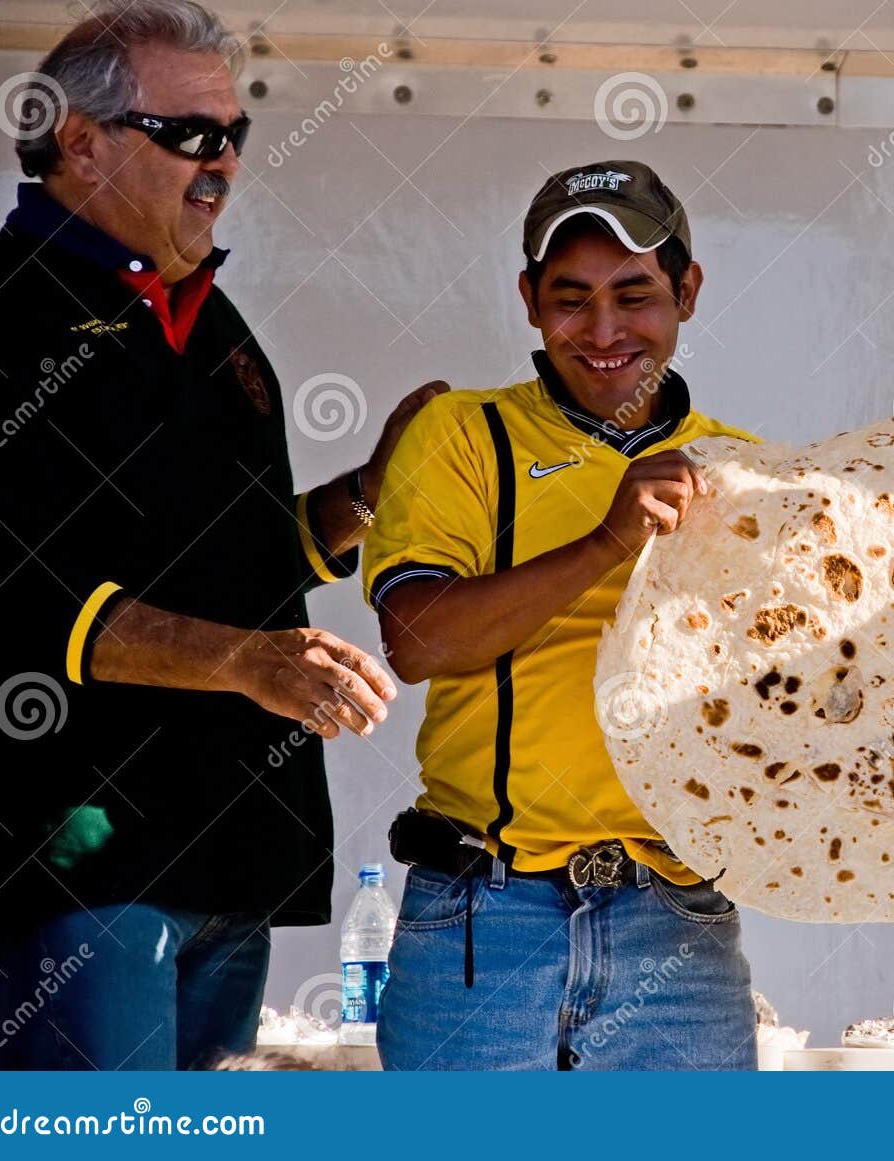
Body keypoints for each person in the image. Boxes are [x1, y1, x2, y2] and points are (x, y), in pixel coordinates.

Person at [0, 0, 440, 1070]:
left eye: (234, 132)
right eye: (187, 133)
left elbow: (235, 559)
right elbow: (14, 594)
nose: (221, 160)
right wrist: (246, 661)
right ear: (79, 140)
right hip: (85, 860)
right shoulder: (1, 316)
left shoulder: (207, 320)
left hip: (233, 857)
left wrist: (370, 491)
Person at [364, 160, 772, 1070]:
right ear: (527, 299)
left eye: (635, 294)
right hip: (483, 912)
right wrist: (604, 542)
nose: (603, 331)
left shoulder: (744, 467)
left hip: (679, 917)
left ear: (688, 292)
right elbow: (418, 641)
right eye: (569, 298)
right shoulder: (462, 432)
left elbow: (826, 678)